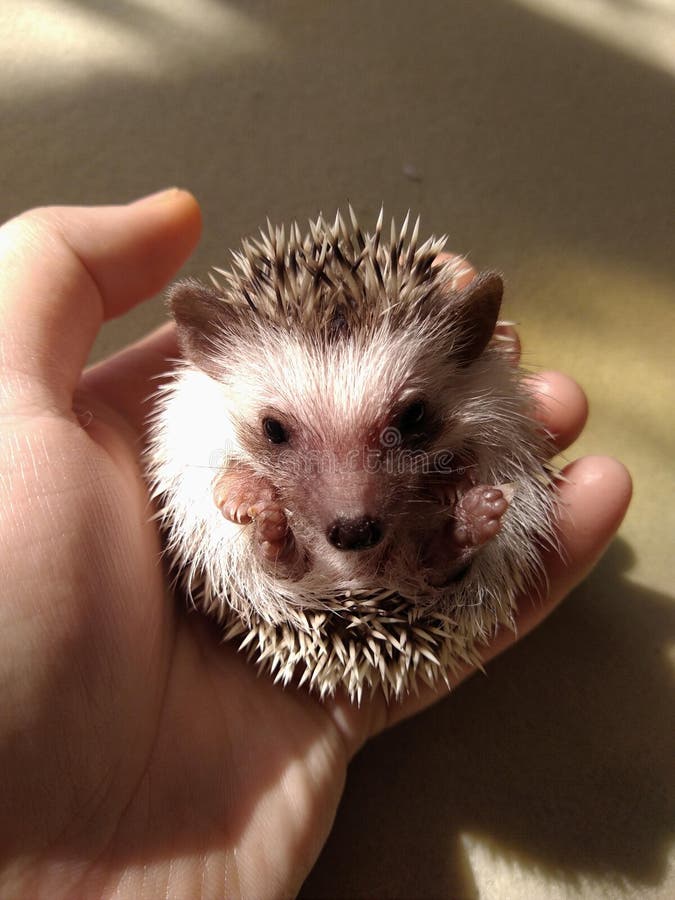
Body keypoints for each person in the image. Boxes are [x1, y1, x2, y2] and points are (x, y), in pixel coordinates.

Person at [0, 190, 631, 897]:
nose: (350, 506)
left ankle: (436, 552)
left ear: (466, 341)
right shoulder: (201, 413)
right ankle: (341, 550)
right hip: (297, 585)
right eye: (278, 432)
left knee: (493, 500)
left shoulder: (475, 397)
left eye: (411, 417)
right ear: (208, 352)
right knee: (233, 519)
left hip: (410, 545)